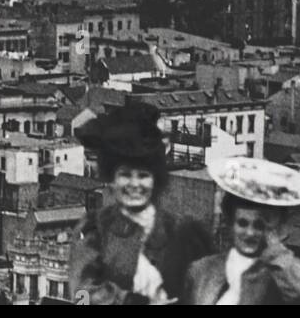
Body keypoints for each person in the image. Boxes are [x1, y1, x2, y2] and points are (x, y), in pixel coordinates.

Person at [69, 100, 212, 305]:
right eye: (125, 175)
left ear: (155, 179)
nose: (134, 184)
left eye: (143, 175)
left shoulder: (182, 231)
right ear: (112, 179)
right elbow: (80, 296)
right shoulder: (95, 230)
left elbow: (206, 285)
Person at [183, 159, 300, 306]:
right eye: (242, 223)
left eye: (259, 225)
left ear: (271, 229)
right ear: (231, 224)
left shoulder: (282, 275)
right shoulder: (202, 270)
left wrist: (275, 249)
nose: (250, 233)